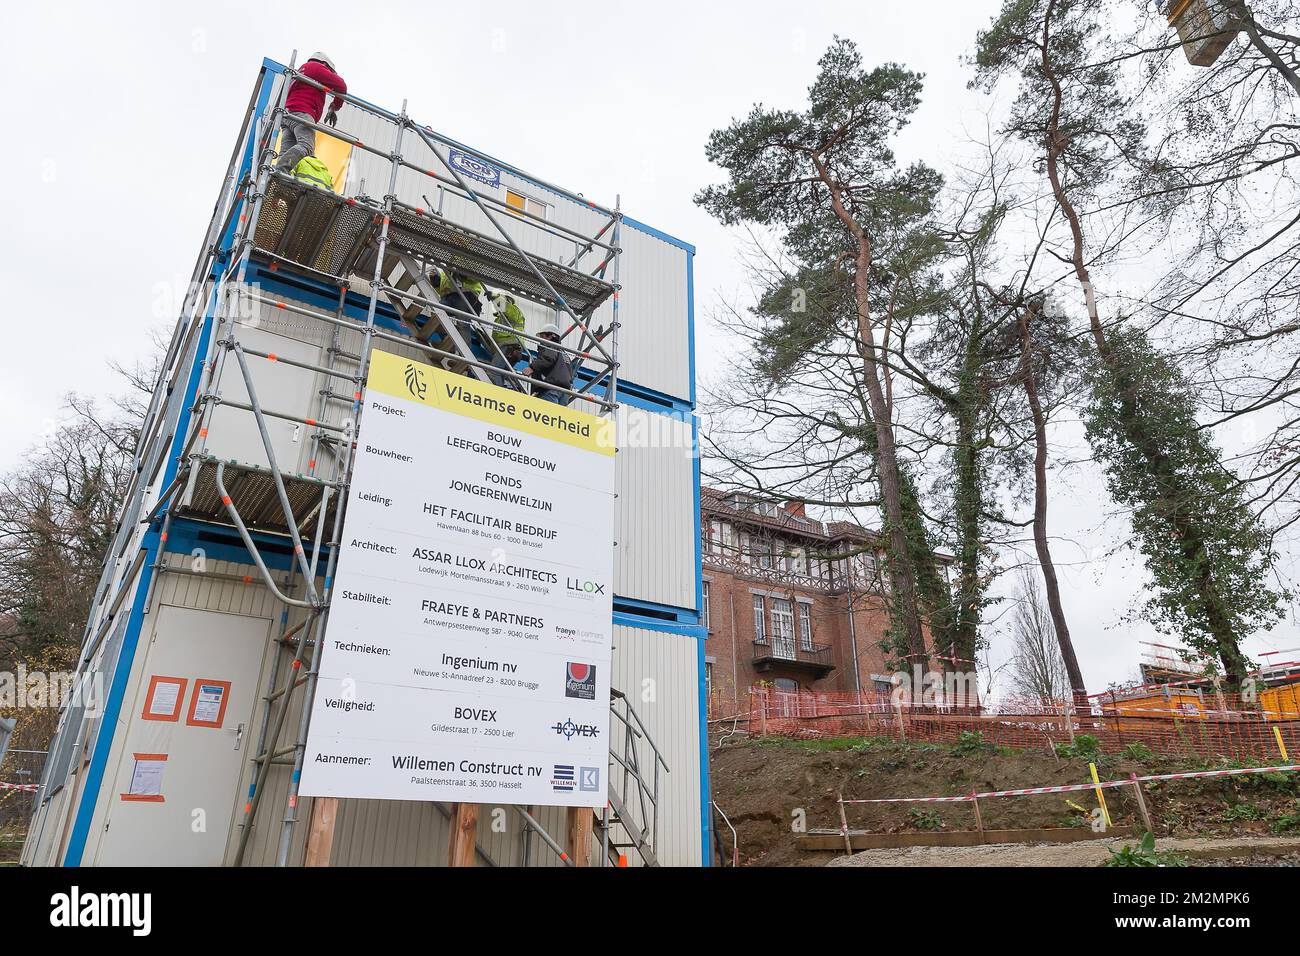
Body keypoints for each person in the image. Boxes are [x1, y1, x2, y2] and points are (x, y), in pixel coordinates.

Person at [275, 53, 347, 173]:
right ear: (325, 65)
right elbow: (341, 86)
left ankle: (279, 176)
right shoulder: (316, 67)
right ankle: (280, 169)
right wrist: (335, 106)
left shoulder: (302, 71)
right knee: (307, 146)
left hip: (289, 115)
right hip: (302, 113)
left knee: (287, 150)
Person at [526, 323, 574, 405]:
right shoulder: (564, 354)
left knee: (547, 414)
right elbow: (570, 372)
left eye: (542, 336)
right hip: (564, 392)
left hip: (551, 389)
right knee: (557, 416)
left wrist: (532, 367)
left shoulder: (550, 346)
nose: (540, 340)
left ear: (550, 336)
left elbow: (548, 358)